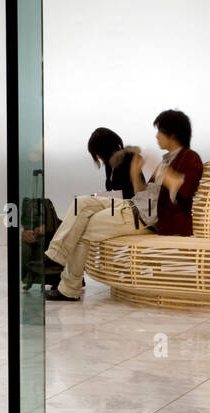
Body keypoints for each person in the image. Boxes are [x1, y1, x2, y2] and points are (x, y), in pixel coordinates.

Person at [44, 127, 147, 302]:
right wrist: (100, 198)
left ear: (103, 149)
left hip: (132, 207)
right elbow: (114, 193)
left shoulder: (128, 158)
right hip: (118, 207)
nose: (97, 157)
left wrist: (99, 198)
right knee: (81, 223)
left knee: (82, 203)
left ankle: (56, 258)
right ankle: (67, 287)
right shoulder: (110, 165)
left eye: (96, 152)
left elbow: (133, 194)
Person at [114, 109, 203, 237]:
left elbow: (184, 192)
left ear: (173, 134)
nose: (157, 136)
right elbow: (143, 195)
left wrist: (157, 168)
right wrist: (135, 175)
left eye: (160, 131)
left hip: (142, 218)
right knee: (83, 204)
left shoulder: (190, 158)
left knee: (93, 222)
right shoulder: (165, 161)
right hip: (133, 206)